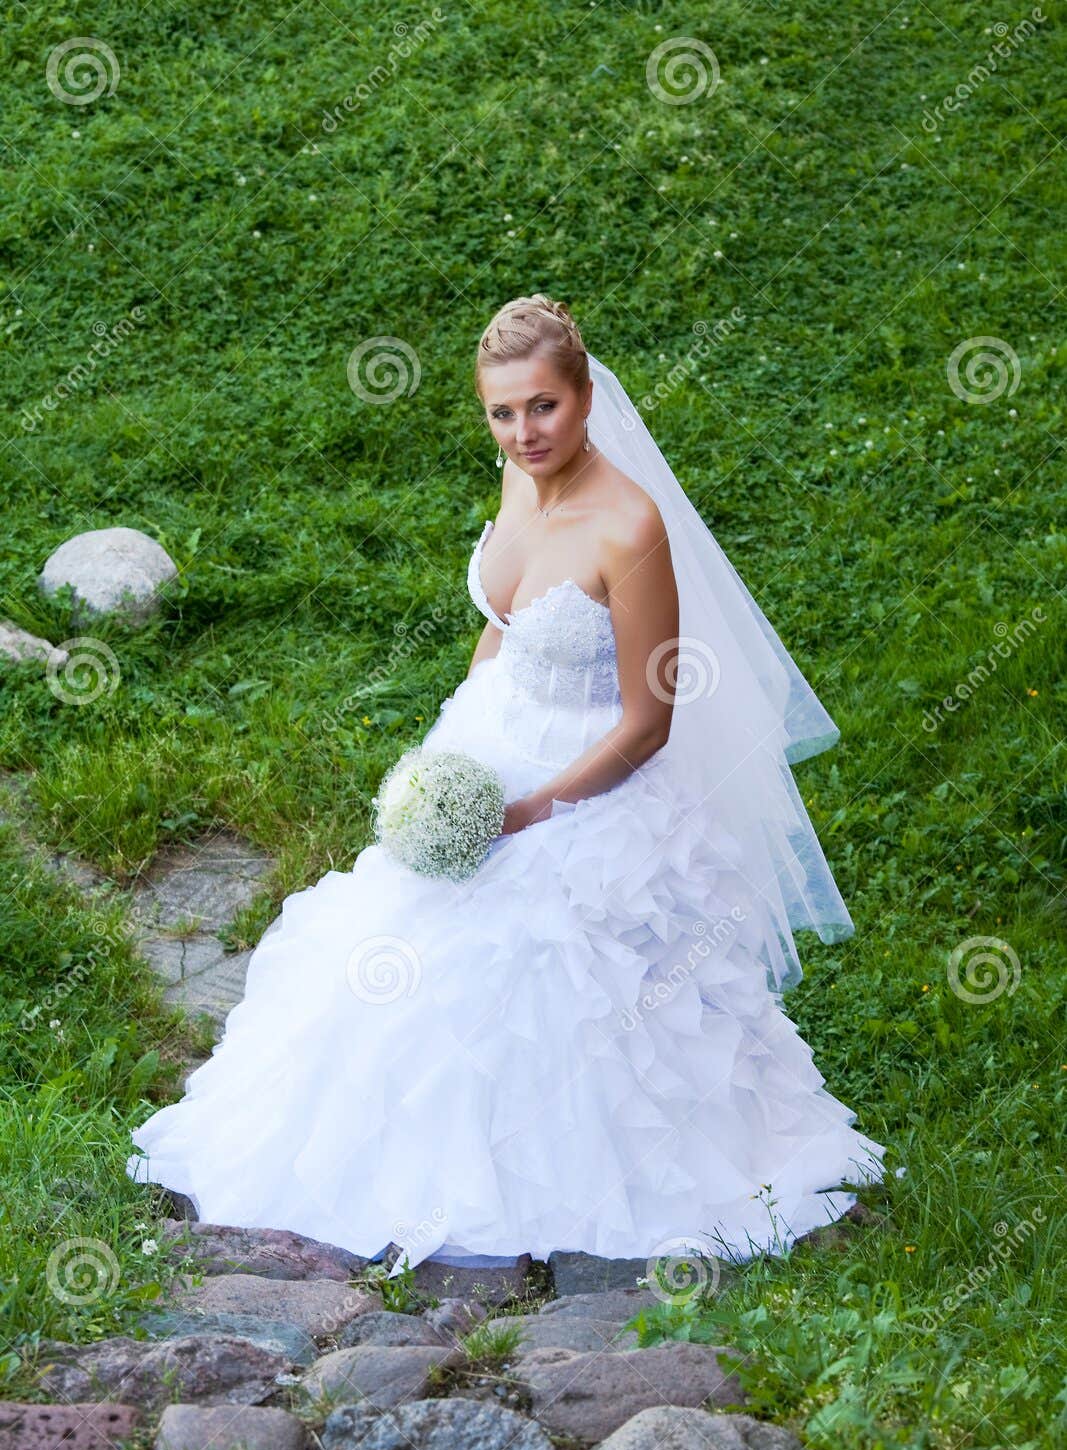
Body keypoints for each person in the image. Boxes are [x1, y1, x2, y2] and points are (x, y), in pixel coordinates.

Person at [126, 293, 885, 1278]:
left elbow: (647, 722)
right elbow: (503, 616)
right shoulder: (520, 481)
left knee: (551, 971)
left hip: (589, 787)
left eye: (541, 408)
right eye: (501, 413)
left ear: (583, 397)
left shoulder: (630, 526)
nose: (523, 433)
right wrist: (454, 751)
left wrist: (525, 811)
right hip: (490, 742)